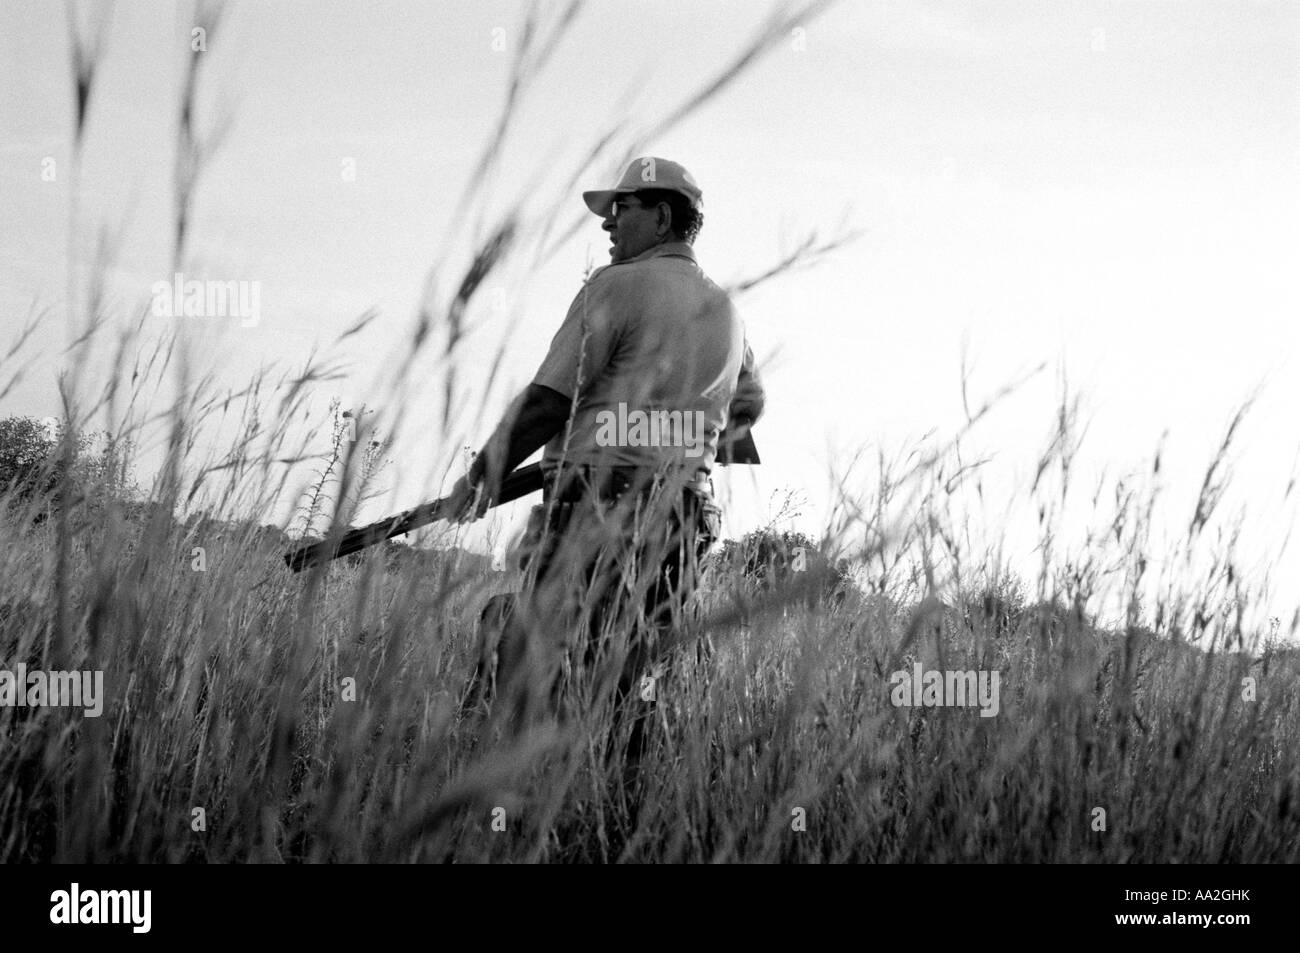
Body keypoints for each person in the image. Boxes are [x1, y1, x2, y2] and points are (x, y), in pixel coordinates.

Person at [446, 157, 765, 764]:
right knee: (634, 668)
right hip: (686, 512)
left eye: (622, 209)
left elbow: (547, 402)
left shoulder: (614, 287)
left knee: (536, 652)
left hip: (597, 502)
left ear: (662, 216)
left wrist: (482, 475)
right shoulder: (728, 312)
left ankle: (504, 785)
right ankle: (615, 802)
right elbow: (748, 407)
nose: (608, 225)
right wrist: (684, 441)